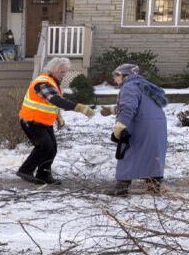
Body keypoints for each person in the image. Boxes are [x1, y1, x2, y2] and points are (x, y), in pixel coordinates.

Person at [16, 57, 96, 185]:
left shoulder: (53, 82)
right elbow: (55, 100)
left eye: (65, 71)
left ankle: (43, 175)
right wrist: (79, 107)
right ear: (54, 70)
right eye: (62, 72)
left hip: (43, 121)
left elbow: (51, 104)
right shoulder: (42, 83)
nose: (64, 74)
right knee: (44, 146)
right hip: (31, 121)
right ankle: (25, 170)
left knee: (52, 148)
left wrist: (58, 117)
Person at [108, 63, 169, 196]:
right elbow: (141, 105)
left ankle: (121, 188)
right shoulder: (144, 85)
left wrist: (119, 127)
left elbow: (128, 108)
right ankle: (154, 187)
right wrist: (112, 110)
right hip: (157, 126)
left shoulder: (129, 87)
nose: (114, 79)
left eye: (116, 75)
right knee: (153, 156)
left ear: (124, 75)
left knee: (127, 152)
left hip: (142, 126)